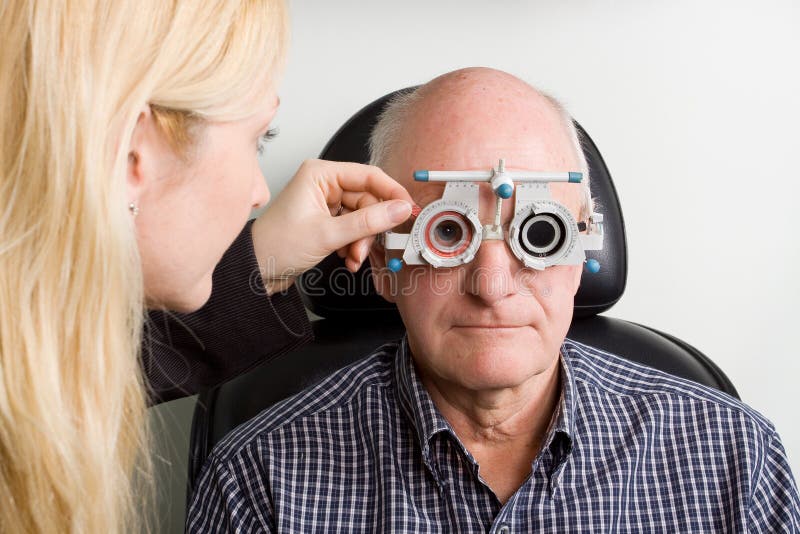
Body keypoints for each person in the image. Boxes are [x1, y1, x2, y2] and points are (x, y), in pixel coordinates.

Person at [187, 67, 800, 532]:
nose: (492, 284)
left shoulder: (730, 458)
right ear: (380, 263)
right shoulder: (261, 480)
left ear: (581, 254)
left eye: (539, 233)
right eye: (446, 232)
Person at [0, 1, 412, 531]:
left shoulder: (30, 363)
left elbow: (76, 361)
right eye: (259, 139)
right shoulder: (260, 470)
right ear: (134, 155)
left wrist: (263, 262)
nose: (261, 192)